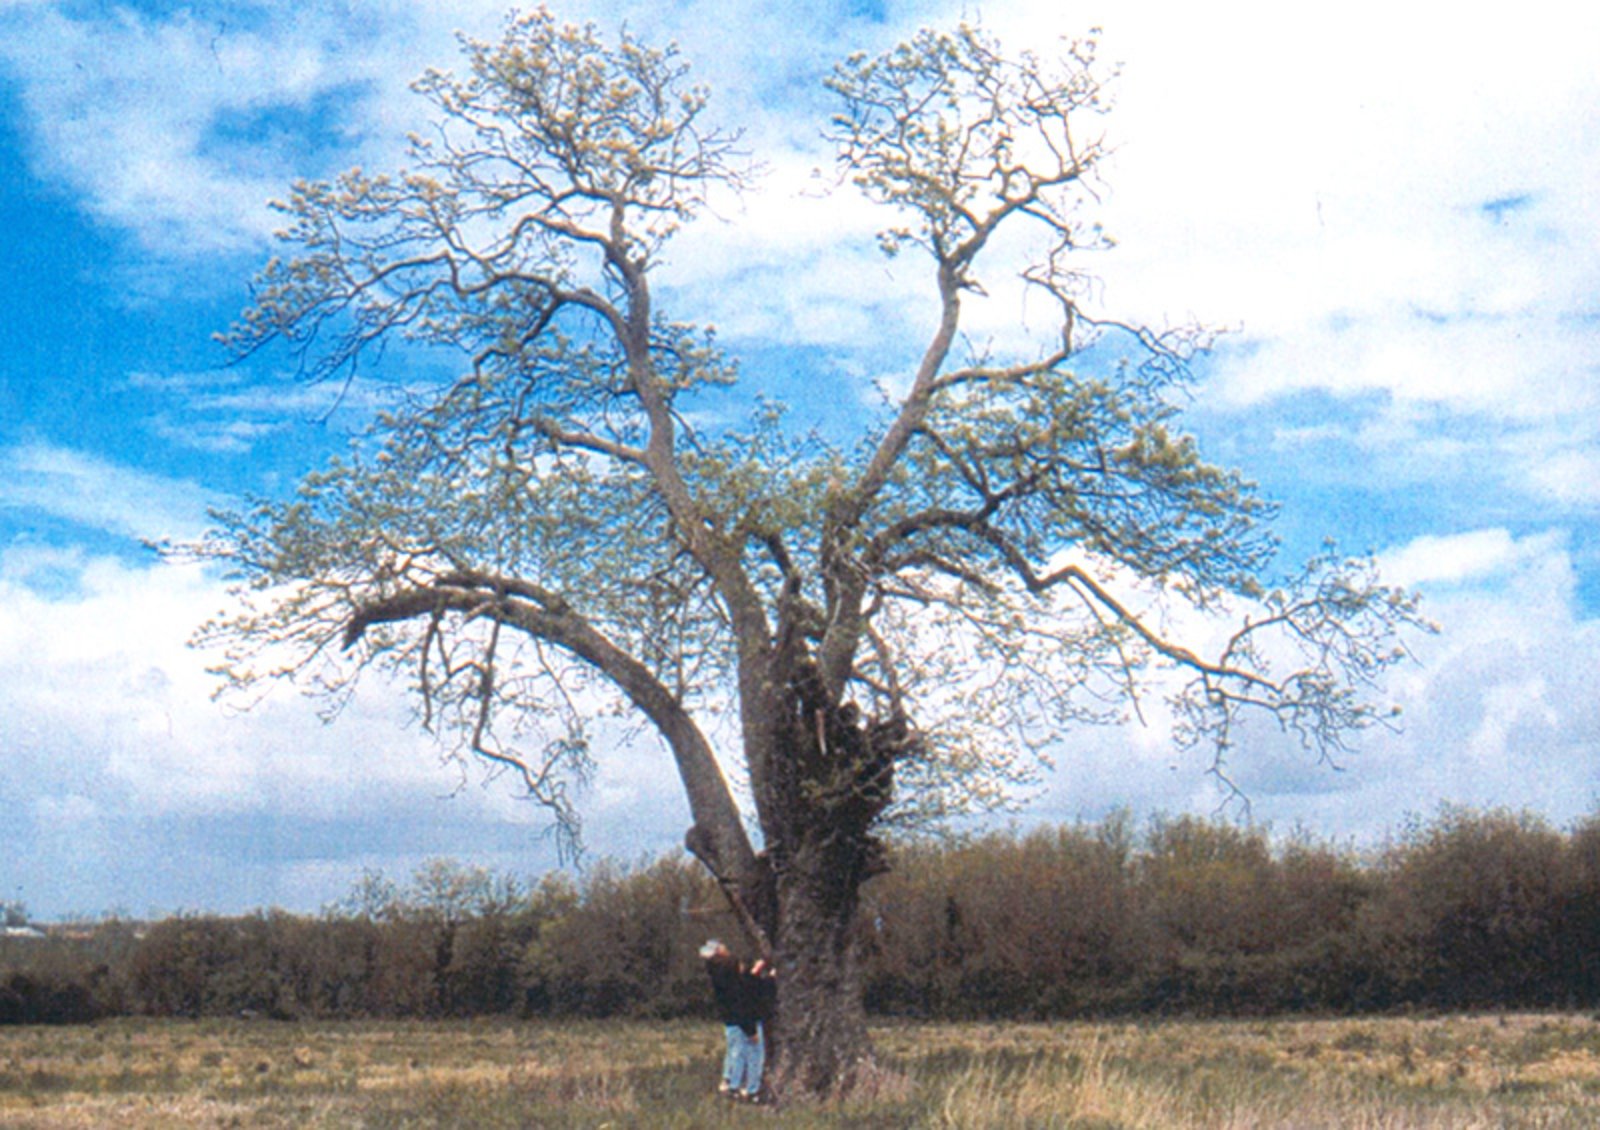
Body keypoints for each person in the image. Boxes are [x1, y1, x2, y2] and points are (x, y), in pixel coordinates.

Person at [699, 938, 776, 1102]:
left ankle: (733, 1085)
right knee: (751, 1053)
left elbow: (745, 985)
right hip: (745, 1021)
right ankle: (749, 1089)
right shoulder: (732, 980)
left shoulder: (721, 978)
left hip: (734, 1021)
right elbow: (744, 998)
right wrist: (751, 1030)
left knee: (737, 1052)